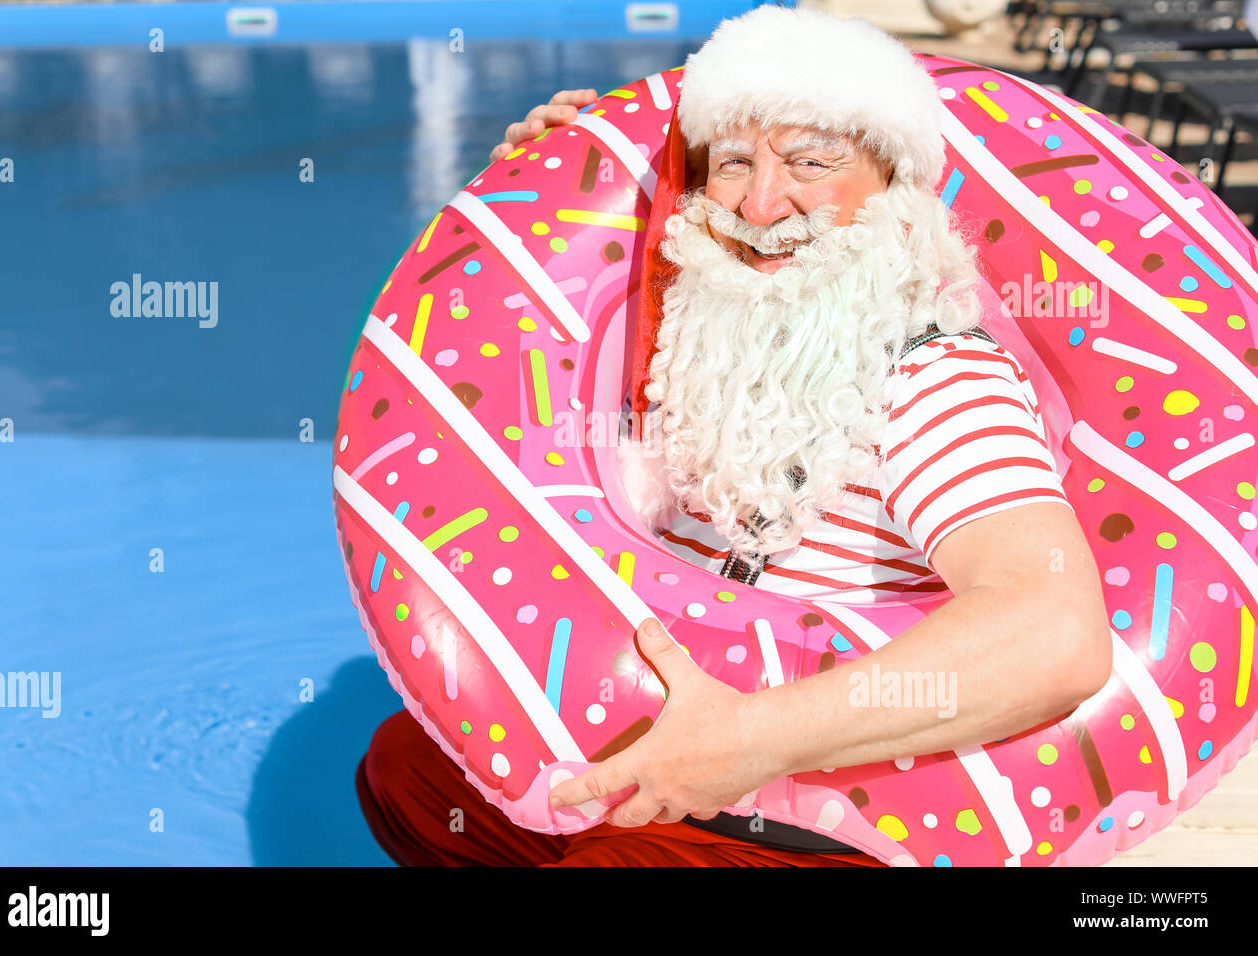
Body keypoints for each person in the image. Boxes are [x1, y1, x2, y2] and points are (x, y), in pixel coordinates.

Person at [357, 6, 1112, 866]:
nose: (761, 204)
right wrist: (541, 188)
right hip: (652, 742)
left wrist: (749, 741)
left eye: (810, 163)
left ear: (895, 183)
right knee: (407, 767)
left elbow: (1056, 634)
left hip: (821, 809)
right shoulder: (700, 338)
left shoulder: (938, 381)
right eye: (735, 164)